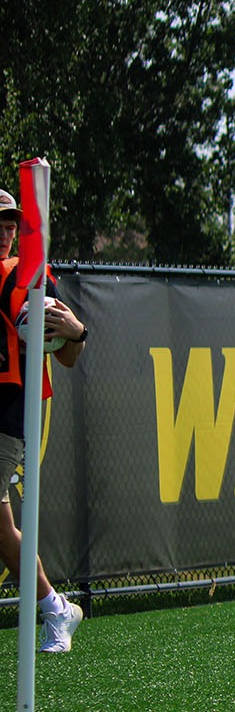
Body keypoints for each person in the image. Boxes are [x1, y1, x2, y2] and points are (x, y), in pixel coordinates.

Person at [0, 188, 87, 653]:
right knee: (4, 532)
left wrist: (78, 332)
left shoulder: (30, 278)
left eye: (12, 223)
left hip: (7, 414)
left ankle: (55, 608)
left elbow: (70, 354)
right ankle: (56, 608)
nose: (6, 231)